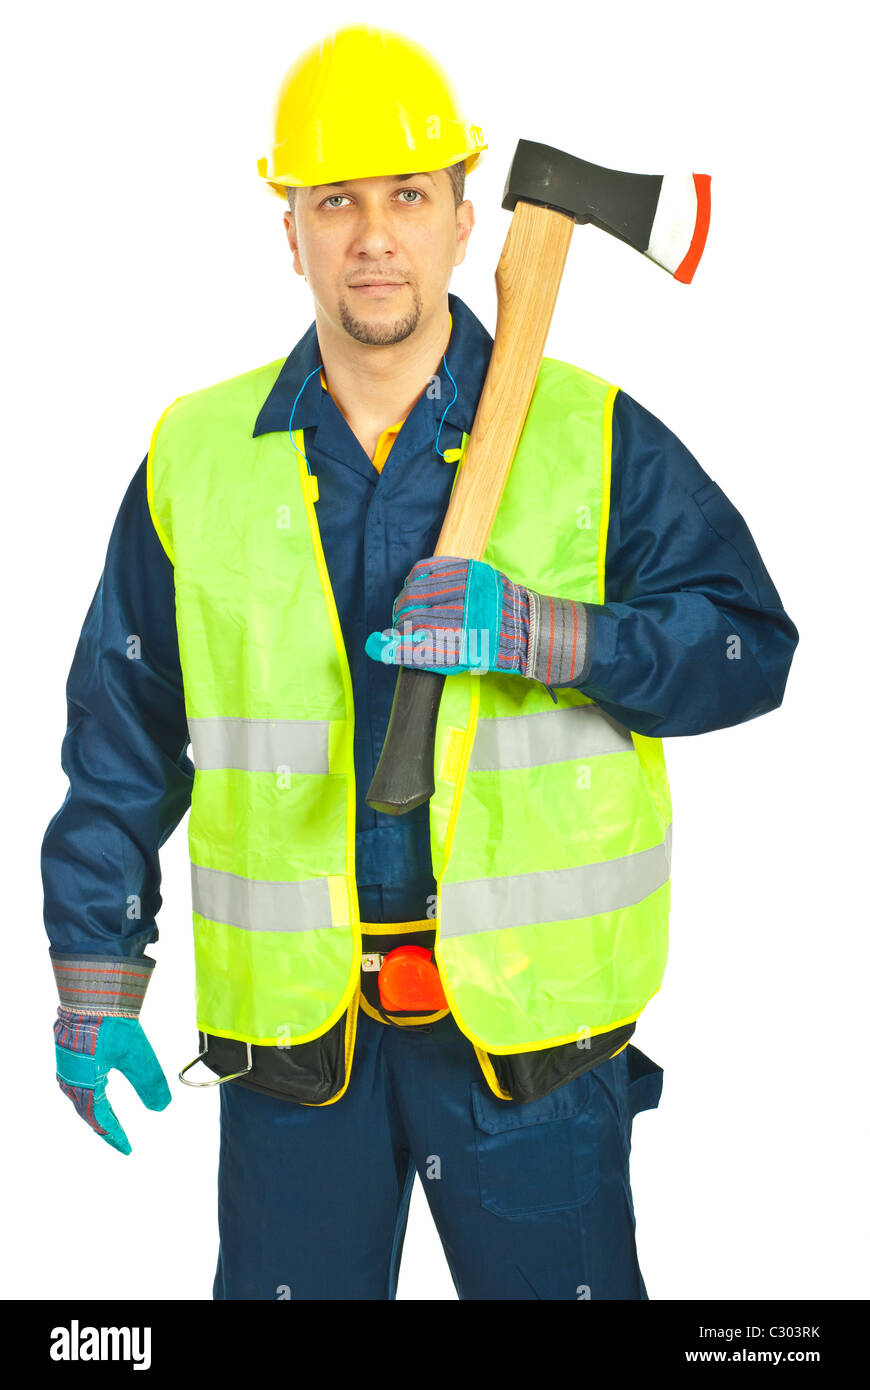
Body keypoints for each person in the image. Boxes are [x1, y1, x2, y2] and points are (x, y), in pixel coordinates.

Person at [41, 24, 798, 1301]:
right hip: (296, 1052)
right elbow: (122, 733)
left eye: (408, 195)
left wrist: (550, 635)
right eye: (335, 200)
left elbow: (748, 647)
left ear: (464, 216)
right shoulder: (197, 454)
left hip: (530, 1055)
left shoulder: (593, 436)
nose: (373, 234)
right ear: (289, 228)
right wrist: (95, 972)